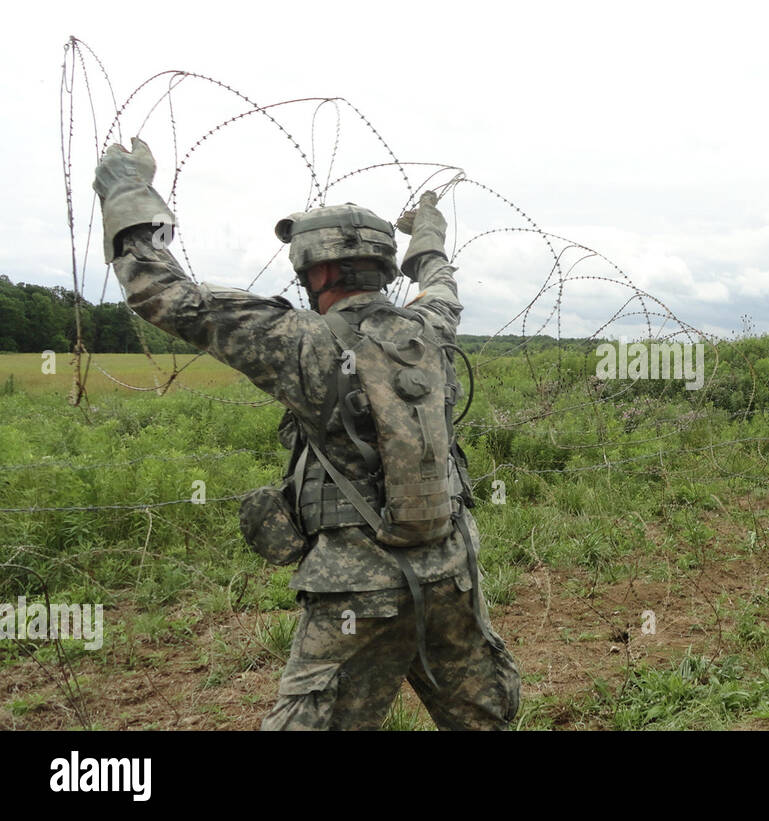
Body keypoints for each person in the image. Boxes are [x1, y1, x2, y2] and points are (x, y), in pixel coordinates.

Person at [94, 137, 520, 730]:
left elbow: (161, 292)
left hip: (354, 591)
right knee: (482, 718)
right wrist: (429, 231)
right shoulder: (432, 328)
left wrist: (125, 190)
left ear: (317, 268)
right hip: (451, 572)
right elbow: (443, 282)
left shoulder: (298, 340)